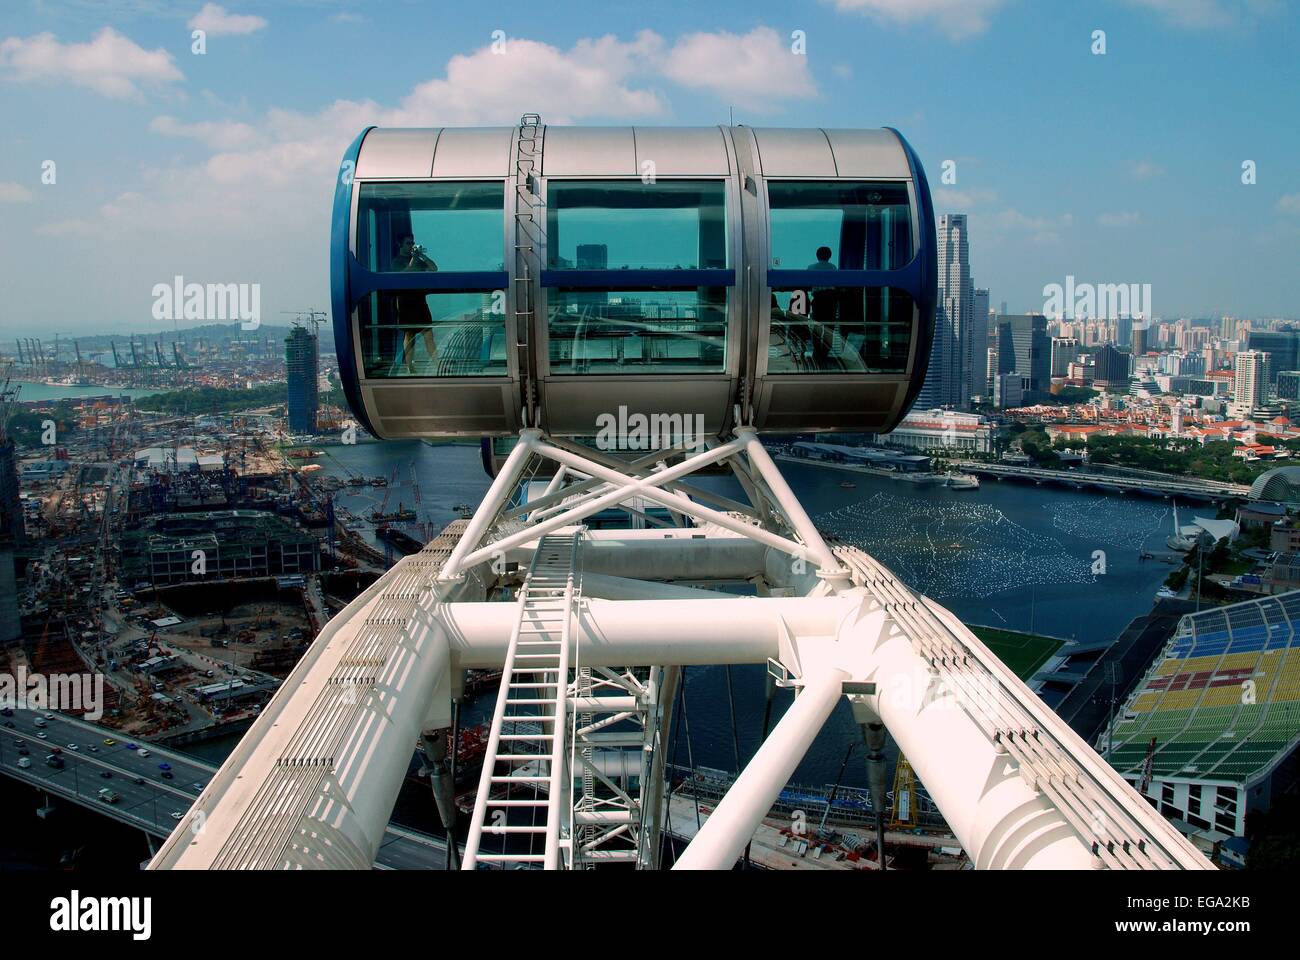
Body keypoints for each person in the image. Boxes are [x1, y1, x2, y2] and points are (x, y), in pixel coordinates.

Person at [391, 233, 438, 375]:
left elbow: (434, 268)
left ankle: (438, 364)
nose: (411, 245)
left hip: (420, 300)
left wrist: (422, 256)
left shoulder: (417, 259)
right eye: (408, 243)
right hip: (405, 302)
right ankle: (409, 366)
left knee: (428, 334)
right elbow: (405, 274)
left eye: (412, 243)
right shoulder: (397, 261)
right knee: (409, 334)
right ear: (400, 244)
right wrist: (414, 259)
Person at [805, 246, 838, 367]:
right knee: (829, 328)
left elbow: (805, 282)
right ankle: (825, 353)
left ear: (817, 256)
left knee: (817, 326)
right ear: (829, 256)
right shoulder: (833, 268)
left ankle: (817, 353)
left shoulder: (811, 267)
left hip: (818, 300)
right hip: (831, 300)